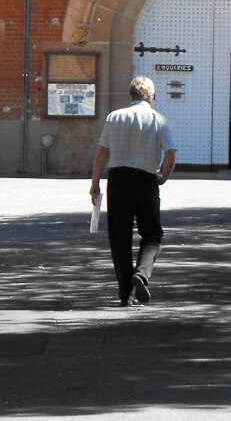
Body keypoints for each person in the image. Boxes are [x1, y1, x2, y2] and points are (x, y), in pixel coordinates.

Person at [90, 76, 177, 306]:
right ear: (151, 96)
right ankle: (142, 273)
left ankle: (125, 294)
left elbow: (102, 152)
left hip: (117, 179)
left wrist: (95, 182)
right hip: (146, 180)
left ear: (130, 95)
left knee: (120, 238)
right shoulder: (159, 119)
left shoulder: (114, 117)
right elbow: (170, 154)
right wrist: (163, 178)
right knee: (152, 233)